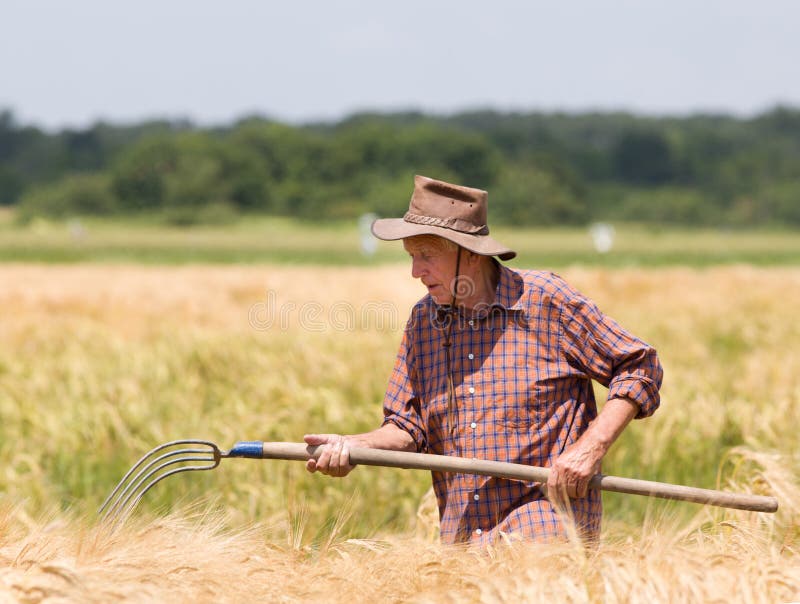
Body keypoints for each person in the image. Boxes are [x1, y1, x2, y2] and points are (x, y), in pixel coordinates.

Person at [305, 175, 663, 545]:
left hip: (547, 529)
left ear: (471, 254)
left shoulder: (545, 302)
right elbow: (409, 428)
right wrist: (352, 446)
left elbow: (638, 366)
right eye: (412, 257)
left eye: (427, 256)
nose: (415, 272)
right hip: (464, 543)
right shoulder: (424, 322)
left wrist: (590, 448)